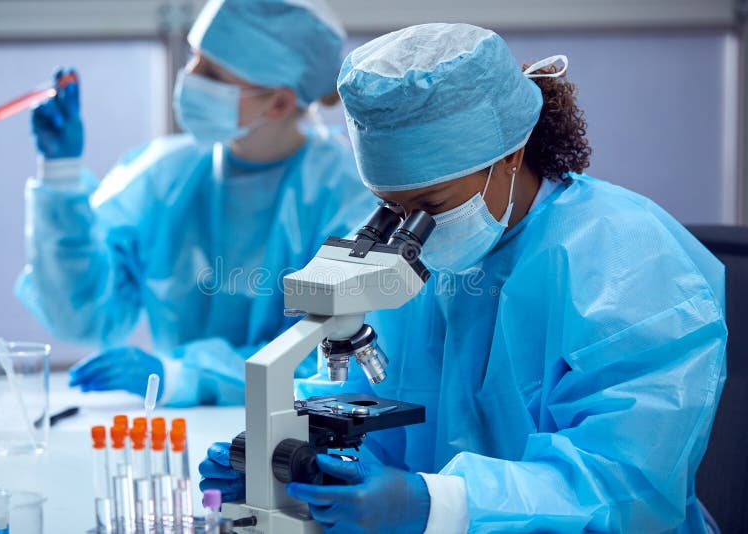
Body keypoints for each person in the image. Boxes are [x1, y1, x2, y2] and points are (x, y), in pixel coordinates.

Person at [199, 23, 727, 533]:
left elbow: (626, 488)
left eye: (431, 205)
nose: (409, 232)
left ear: (512, 154)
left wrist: (435, 503)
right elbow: (359, 405)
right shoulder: (400, 262)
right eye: (390, 206)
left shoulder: (629, 261)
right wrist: (300, 463)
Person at [16, 0, 373, 406]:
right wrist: (60, 172)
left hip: (296, 432)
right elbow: (80, 314)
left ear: (278, 103)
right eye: (193, 60)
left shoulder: (346, 195)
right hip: (182, 427)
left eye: (213, 74)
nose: (189, 78)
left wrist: (186, 377)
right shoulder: (165, 175)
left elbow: (334, 359)